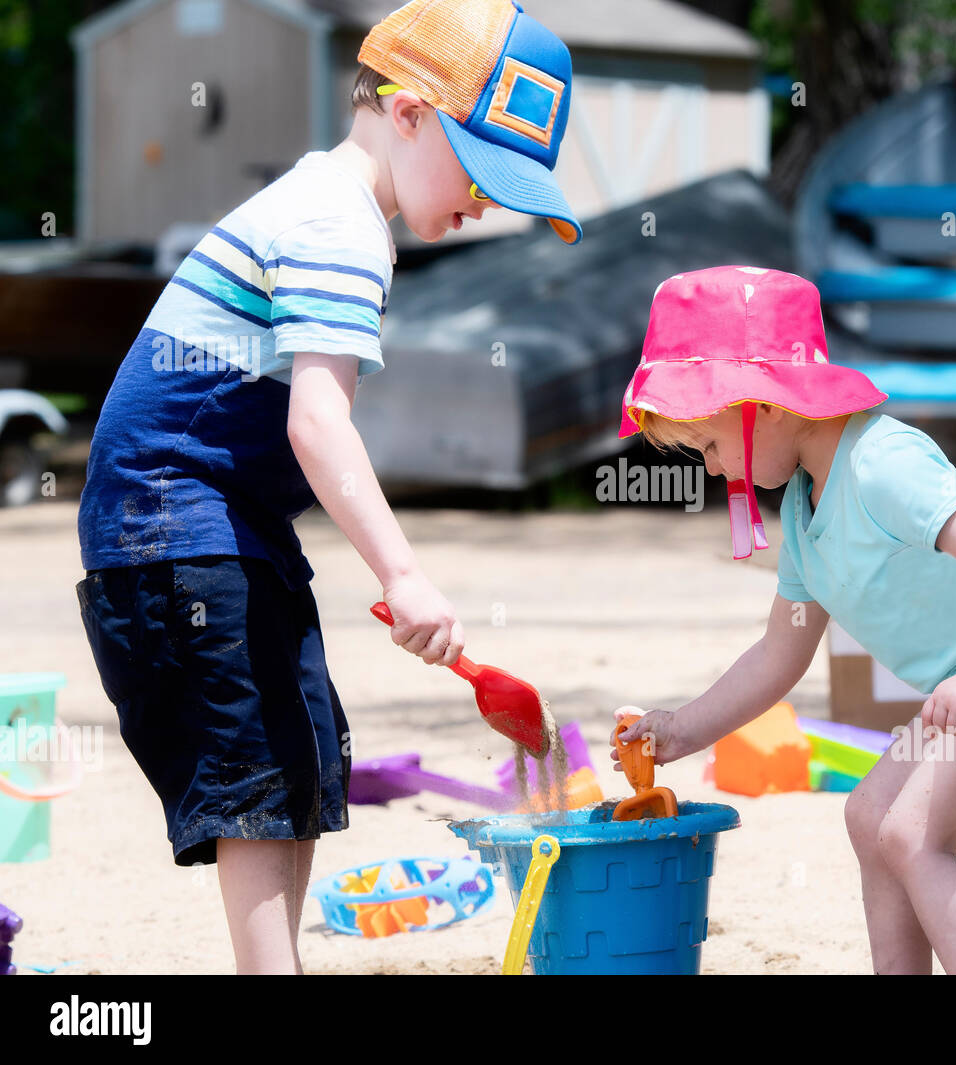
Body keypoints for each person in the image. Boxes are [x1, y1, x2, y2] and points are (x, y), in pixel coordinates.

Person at [74, 0, 580, 974]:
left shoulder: (334, 210)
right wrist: (408, 572)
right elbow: (317, 422)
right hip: (177, 532)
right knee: (260, 769)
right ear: (408, 112)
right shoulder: (336, 225)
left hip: (218, 528)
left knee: (300, 750)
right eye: (480, 169)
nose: (486, 203)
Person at [610, 265, 956, 975]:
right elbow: (778, 653)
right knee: (869, 818)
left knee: (914, 833)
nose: (709, 466)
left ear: (768, 403)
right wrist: (684, 726)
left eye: (708, 443)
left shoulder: (884, 463)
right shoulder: (802, 506)